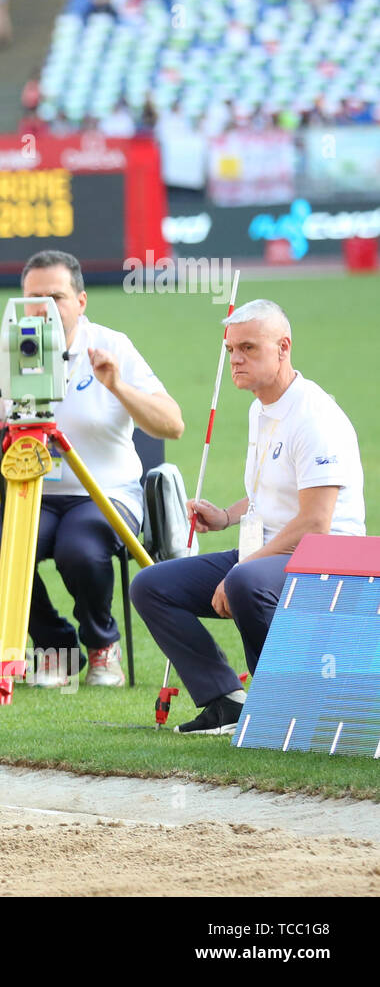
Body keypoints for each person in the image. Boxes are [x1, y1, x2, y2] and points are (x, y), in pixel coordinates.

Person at [0, 250, 184, 687]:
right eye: (33, 298)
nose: (43, 309)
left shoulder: (113, 346)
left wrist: (117, 386)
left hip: (106, 493)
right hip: (36, 491)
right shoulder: (16, 346)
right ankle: (56, 649)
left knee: (81, 549)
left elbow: (173, 423)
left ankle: (102, 648)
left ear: (81, 301)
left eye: (56, 297)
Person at [130, 300, 364, 734]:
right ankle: (225, 700)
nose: (236, 359)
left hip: (331, 558)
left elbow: (316, 523)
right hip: (271, 551)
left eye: (249, 348)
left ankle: (291, 704)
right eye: (231, 349)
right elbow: (270, 492)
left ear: (283, 347)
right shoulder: (261, 407)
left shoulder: (314, 416)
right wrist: (226, 516)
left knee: (244, 581)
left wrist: (245, 565)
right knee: (150, 585)